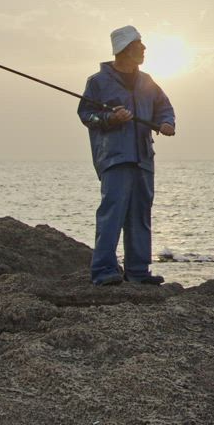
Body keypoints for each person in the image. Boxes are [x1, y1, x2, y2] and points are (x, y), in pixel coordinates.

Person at [78, 25, 176, 286]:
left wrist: (167, 124)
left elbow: (164, 108)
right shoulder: (97, 82)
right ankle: (104, 271)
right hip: (114, 157)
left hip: (143, 158)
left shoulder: (148, 81)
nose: (144, 48)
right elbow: (86, 115)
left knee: (140, 214)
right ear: (124, 49)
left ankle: (138, 272)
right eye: (138, 44)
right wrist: (111, 118)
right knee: (112, 213)